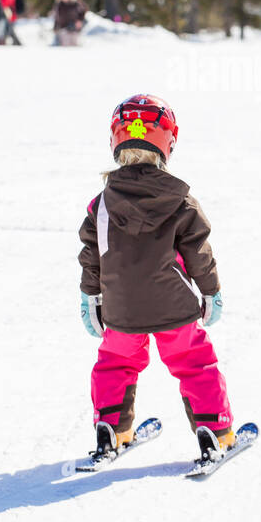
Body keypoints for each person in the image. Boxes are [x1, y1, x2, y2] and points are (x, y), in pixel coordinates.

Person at [78, 94, 234, 464]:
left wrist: (91, 297)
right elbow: (198, 252)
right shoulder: (181, 201)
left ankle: (111, 428)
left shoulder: (101, 204)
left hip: (121, 309)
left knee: (115, 364)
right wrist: (211, 292)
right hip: (173, 307)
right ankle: (215, 432)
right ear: (168, 144)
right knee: (194, 363)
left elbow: (92, 255)